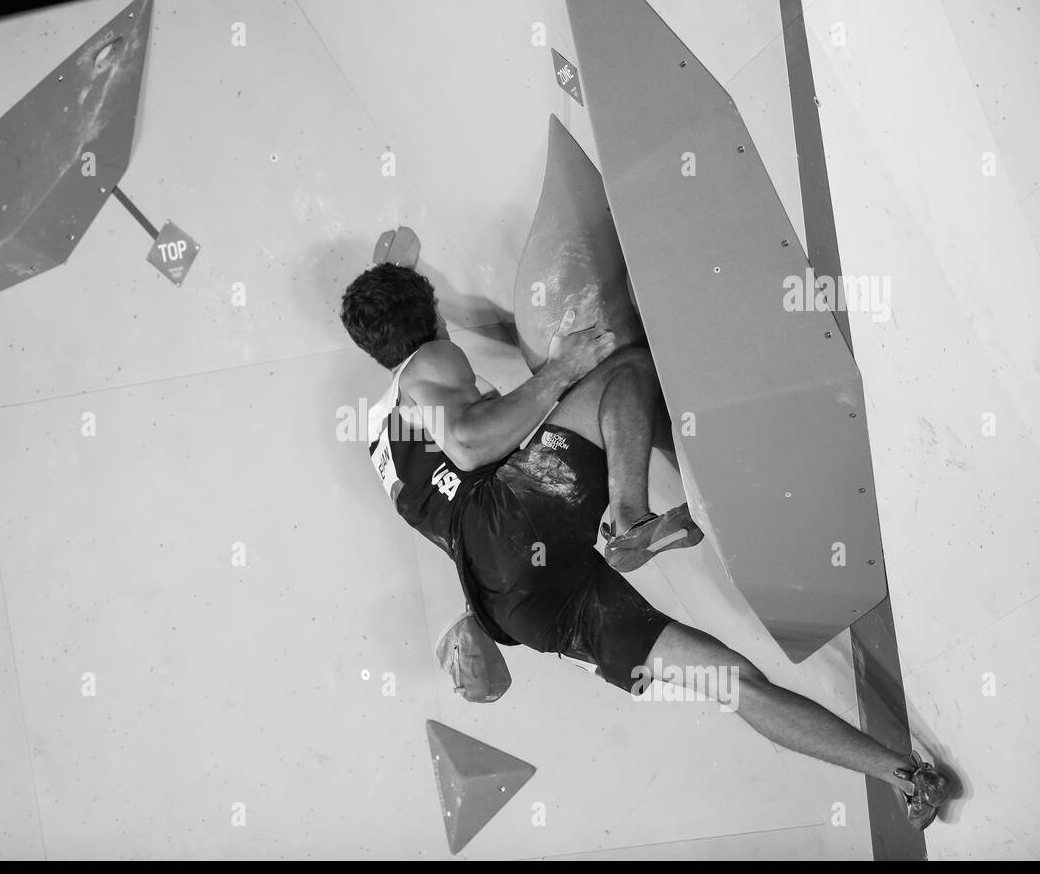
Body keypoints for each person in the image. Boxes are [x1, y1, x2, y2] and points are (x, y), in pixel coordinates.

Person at [341, 257, 951, 830]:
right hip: (508, 524)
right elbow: (472, 445)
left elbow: (468, 460)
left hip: (521, 607)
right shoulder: (428, 361)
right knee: (624, 368)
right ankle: (631, 516)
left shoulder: (379, 440)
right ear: (428, 318)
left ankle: (905, 777)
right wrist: (563, 368)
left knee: (732, 684)